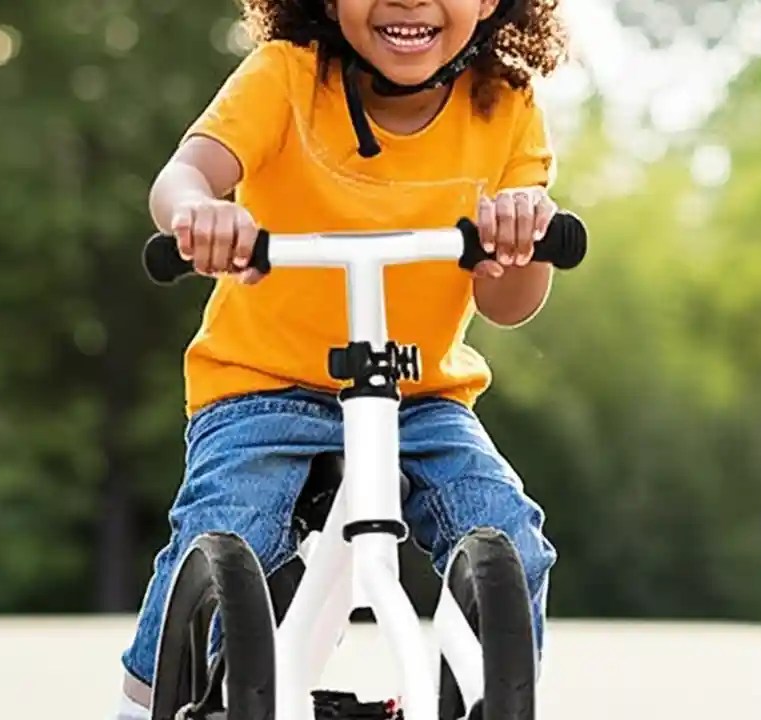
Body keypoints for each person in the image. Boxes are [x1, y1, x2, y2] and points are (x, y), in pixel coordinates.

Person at [116, 0, 570, 715]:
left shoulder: (504, 104)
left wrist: (519, 231)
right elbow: (184, 173)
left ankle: (493, 697)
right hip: (263, 387)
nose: (408, 1)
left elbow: (510, 304)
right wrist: (199, 212)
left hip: (421, 396)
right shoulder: (286, 79)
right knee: (231, 523)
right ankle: (149, 702)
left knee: (508, 531)